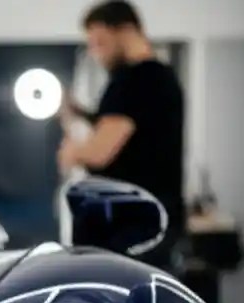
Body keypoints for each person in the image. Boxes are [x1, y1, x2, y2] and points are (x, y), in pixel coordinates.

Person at [58, 1, 185, 270]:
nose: (96, 53)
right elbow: (130, 135)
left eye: (100, 42)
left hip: (133, 231)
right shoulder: (160, 78)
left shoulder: (135, 79)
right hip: (151, 225)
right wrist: (79, 114)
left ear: (125, 31)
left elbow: (99, 153)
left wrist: (71, 152)